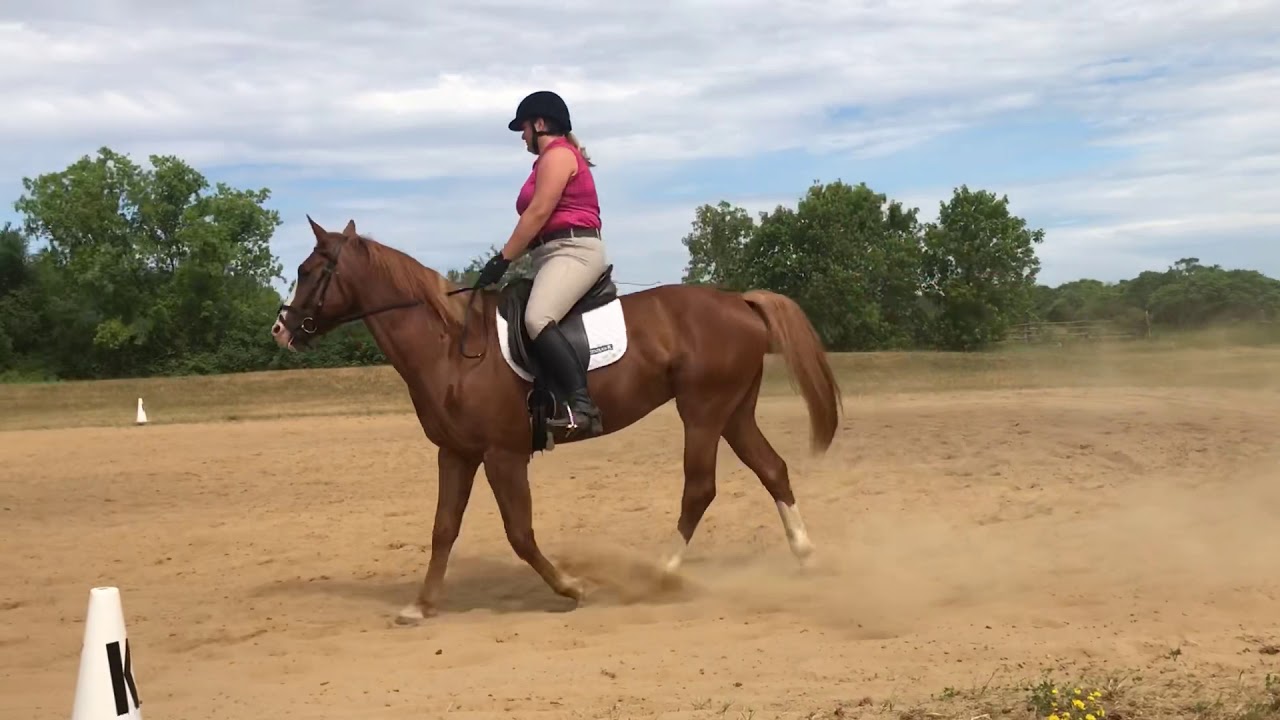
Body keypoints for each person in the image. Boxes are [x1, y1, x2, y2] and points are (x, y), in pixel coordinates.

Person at [472, 90, 608, 437]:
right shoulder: (546, 162)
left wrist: (503, 259)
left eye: (524, 128)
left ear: (541, 124)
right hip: (550, 255)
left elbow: (539, 212)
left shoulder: (560, 156)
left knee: (537, 317)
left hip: (574, 251)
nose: (522, 136)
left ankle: (582, 407)